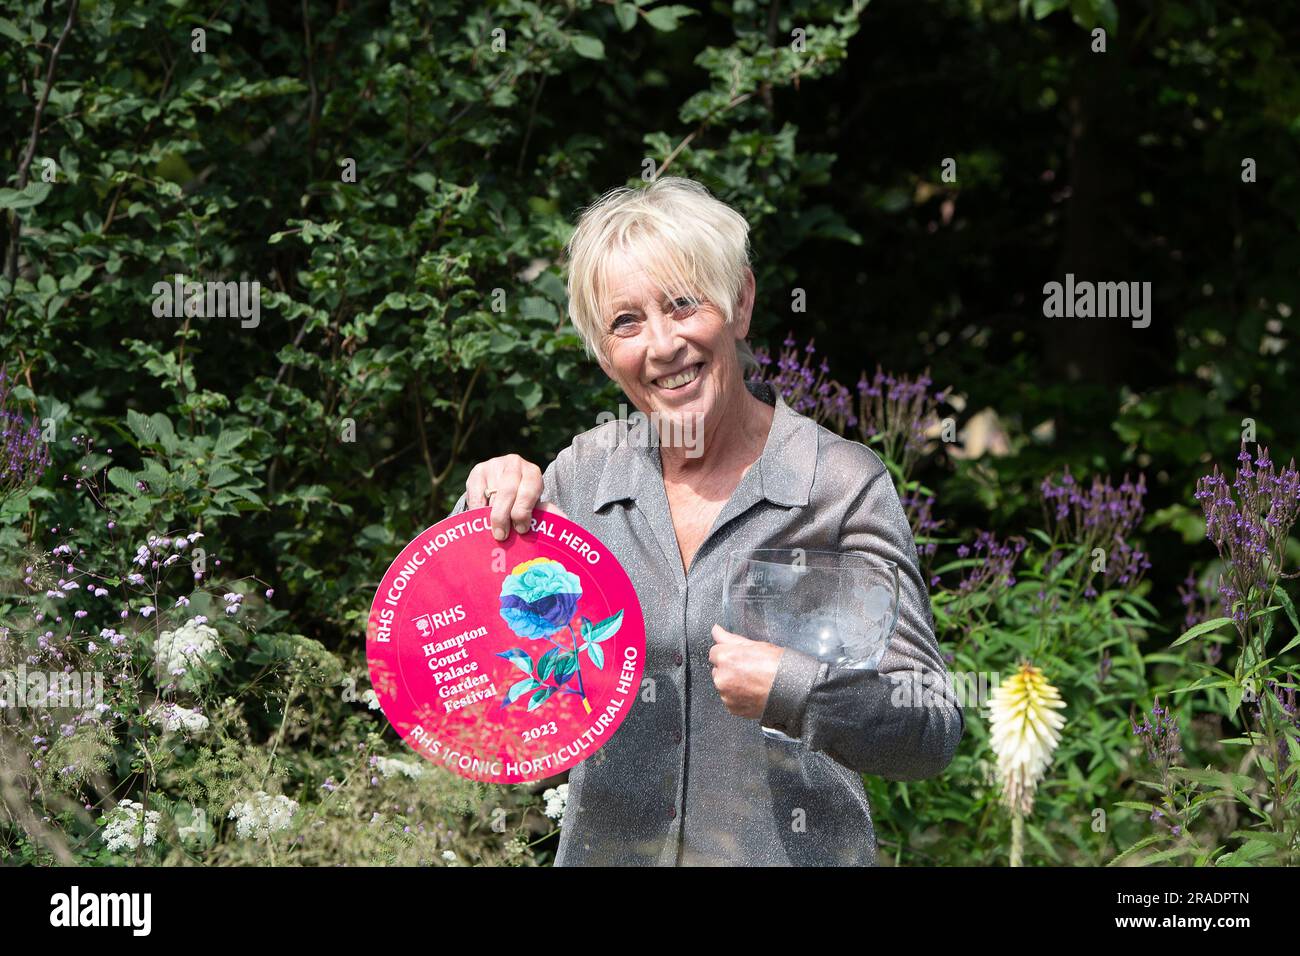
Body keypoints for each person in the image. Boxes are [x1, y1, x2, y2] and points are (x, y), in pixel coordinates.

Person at [448, 176, 963, 865]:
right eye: (626, 322)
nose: (662, 345)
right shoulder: (584, 477)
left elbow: (929, 730)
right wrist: (482, 510)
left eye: (684, 305)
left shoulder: (835, 485)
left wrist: (794, 688)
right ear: (604, 352)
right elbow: (465, 658)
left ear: (740, 302)